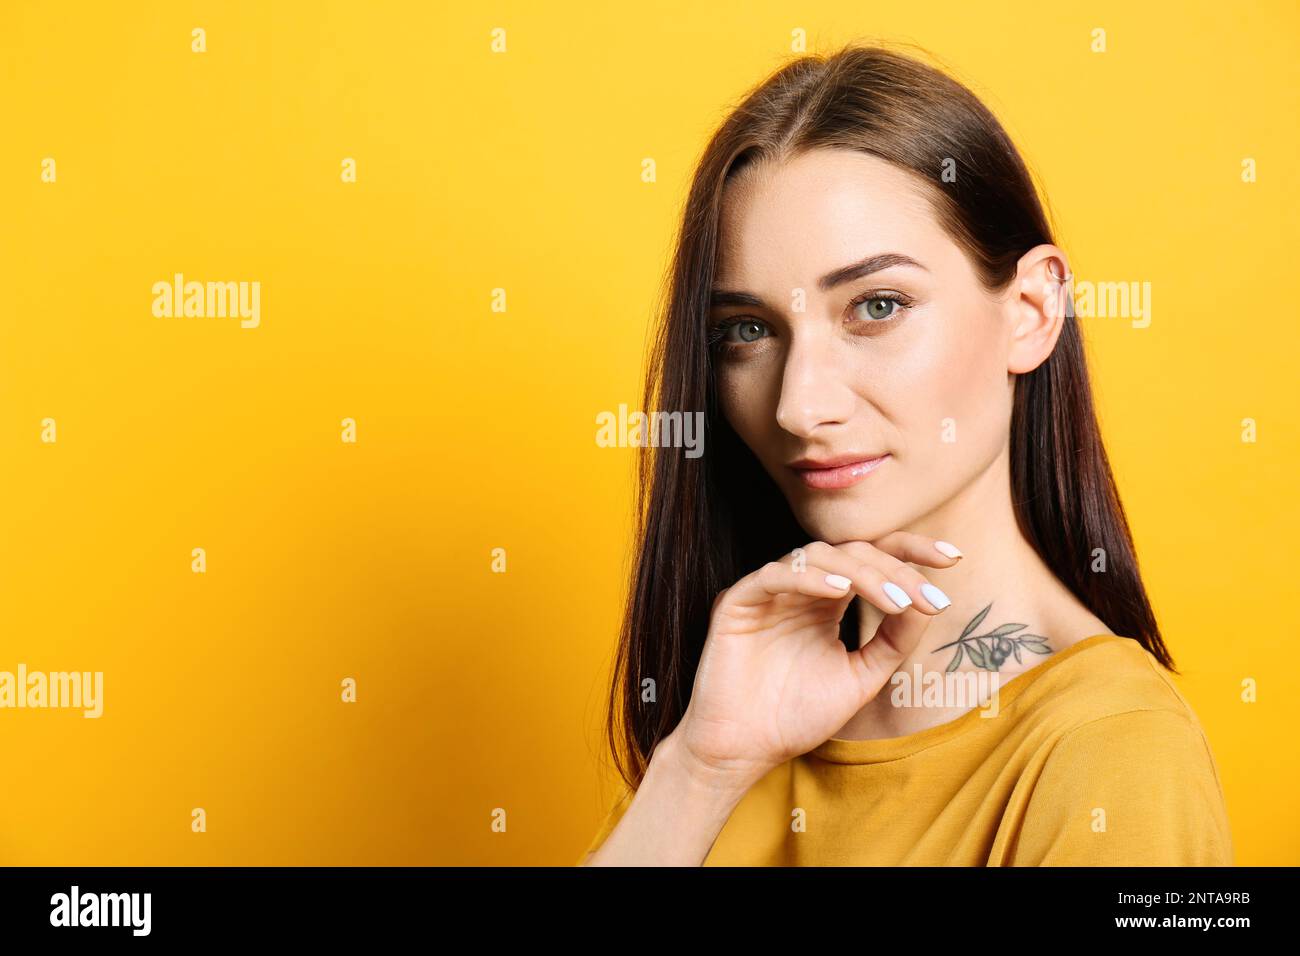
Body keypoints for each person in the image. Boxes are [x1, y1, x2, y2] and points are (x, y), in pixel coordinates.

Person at [579, 44, 1232, 866]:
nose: (799, 404)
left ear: (1031, 310)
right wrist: (698, 771)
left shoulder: (1113, 754)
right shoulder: (733, 716)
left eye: (876, 306)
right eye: (747, 330)